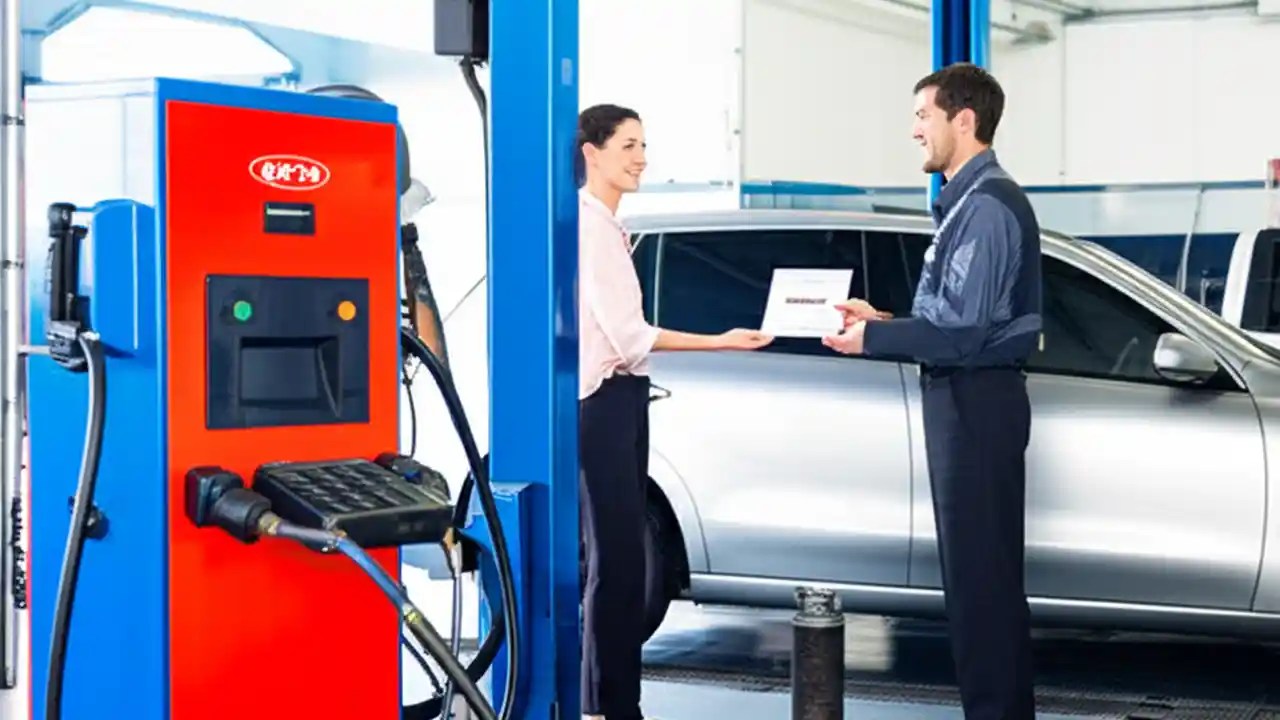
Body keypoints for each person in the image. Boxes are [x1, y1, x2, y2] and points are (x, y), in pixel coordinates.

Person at [822, 63, 1042, 720]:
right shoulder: (968, 204)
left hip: (975, 404)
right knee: (981, 584)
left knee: (982, 588)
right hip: (969, 401)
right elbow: (954, 316)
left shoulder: (985, 208)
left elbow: (964, 333)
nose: (915, 129)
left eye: (924, 115)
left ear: (962, 119)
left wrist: (871, 342)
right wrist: (883, 322)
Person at [575, 103, 773, 720]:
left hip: (620, 399)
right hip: (605, 402)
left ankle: (603, 698)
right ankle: (613, 704)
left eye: (643, 144)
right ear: (592, 153)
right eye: (629, 145)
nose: (641, 157)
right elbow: (629, 337)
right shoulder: (592, 230)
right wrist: (722, 340)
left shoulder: (606, 227)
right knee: (617, 560)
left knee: (618, 558)